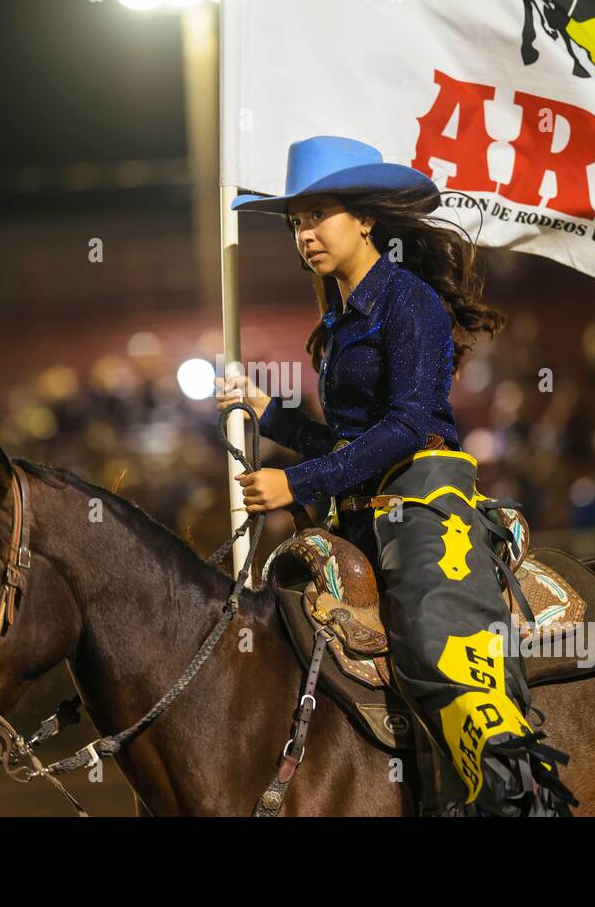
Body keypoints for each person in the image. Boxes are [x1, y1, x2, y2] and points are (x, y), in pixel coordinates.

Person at [215, 135, 576, 816]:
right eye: (296, 221)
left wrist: (297, 484)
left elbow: (408, 424)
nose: (305, 234)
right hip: (358, 510)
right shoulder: (337, 321)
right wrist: (267, 411)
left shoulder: (409, 301)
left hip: (422, 500)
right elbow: (348, 440)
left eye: (317, 215)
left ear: (367, 219)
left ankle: (508, 800)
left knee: (439, 645)